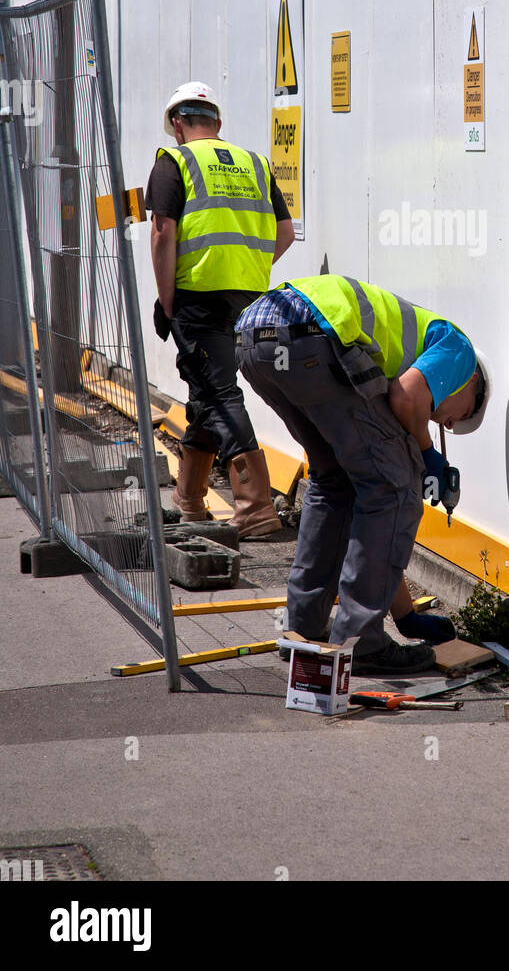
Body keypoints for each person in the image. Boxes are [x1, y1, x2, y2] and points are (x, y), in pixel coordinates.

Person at [234, 275, 490, 674]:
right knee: (391, 489)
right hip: (310, 336)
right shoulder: (459, 350)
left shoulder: (396, 357)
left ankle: (303, 634)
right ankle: (361, 645)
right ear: (470, 383)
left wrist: (406, 617)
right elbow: (407, 397)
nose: (447, 421)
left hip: (258, 339)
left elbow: (371, 528)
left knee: (335, 482)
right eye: (457, 415)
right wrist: (427, 455)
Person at [146, 81, 294, 538]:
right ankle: (189, 501)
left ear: (176, 123)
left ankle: (255, 508)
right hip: (250, 300)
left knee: (220, 396)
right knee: (209, 394)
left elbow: (163, 233)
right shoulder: (254, 163)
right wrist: (247, 267)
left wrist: (168, 300)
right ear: (218, 123)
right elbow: (284, 232)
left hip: (198, 298)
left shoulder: (174, 162)